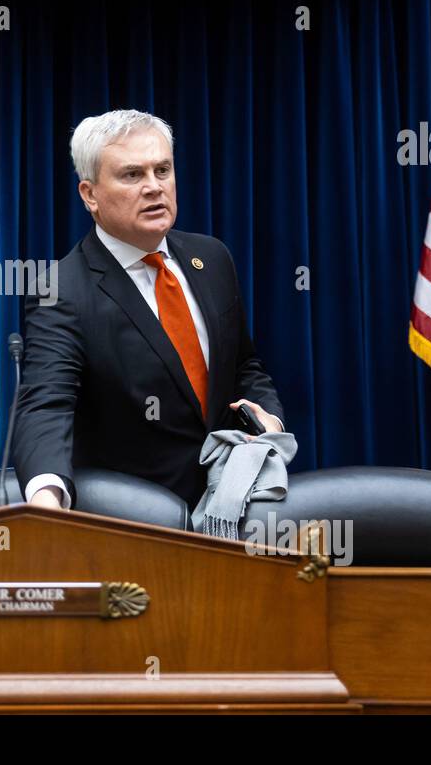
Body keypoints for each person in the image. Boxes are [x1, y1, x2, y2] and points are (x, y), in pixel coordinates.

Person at [15, 109, 285, 510]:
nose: (154, 187)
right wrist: (46, 497)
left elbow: (244, 365)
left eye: (163, 170)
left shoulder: (211, 257)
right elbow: (46, 403)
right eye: (132, 175)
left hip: (235, 508)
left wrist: (271, 422)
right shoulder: (61, 290)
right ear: (89, 194)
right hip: (137, 525)